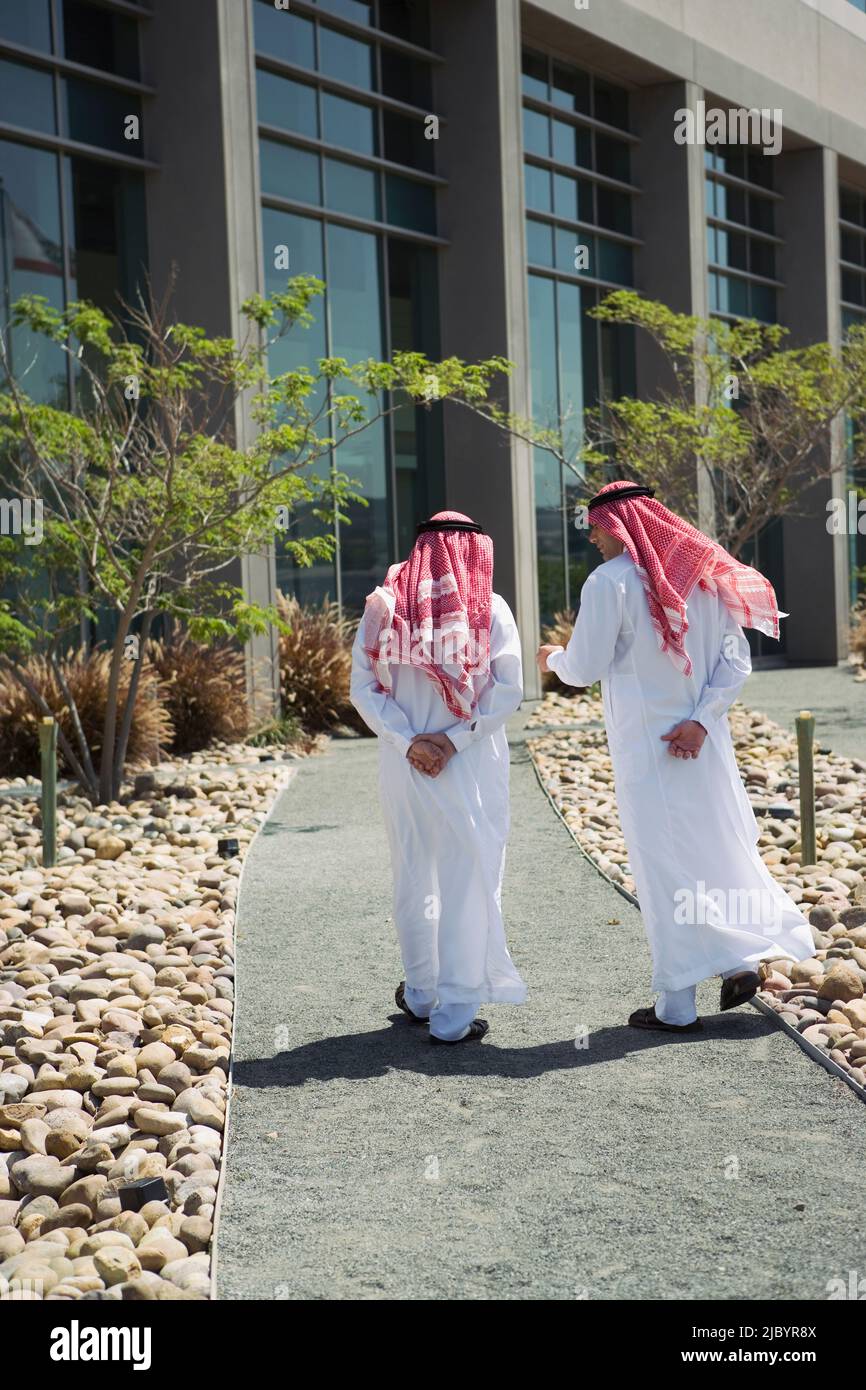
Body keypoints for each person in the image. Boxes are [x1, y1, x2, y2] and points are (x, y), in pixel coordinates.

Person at [536, 480, 814, 1032]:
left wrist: (553, 659)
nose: (592, 538)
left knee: (664, 868)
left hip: (649, 753)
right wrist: (700, 722)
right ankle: (736, 961)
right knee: (710, 850)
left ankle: (676, 1006)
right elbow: (736, 666)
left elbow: (585, 667)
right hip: (702, 746)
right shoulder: (705, 580)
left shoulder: (609, 583)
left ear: (617, 525)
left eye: (595, 527)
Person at [350, 510, 526, 1044]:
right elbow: (509, 689)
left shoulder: (383, 606)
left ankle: (423, 995)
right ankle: (451, 1017)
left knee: (413, 877)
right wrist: (452, 740)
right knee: (464, 882)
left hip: (405, 770)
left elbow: (364, 688)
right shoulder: (488, 607)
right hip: (467, 768)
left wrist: (410, 742)